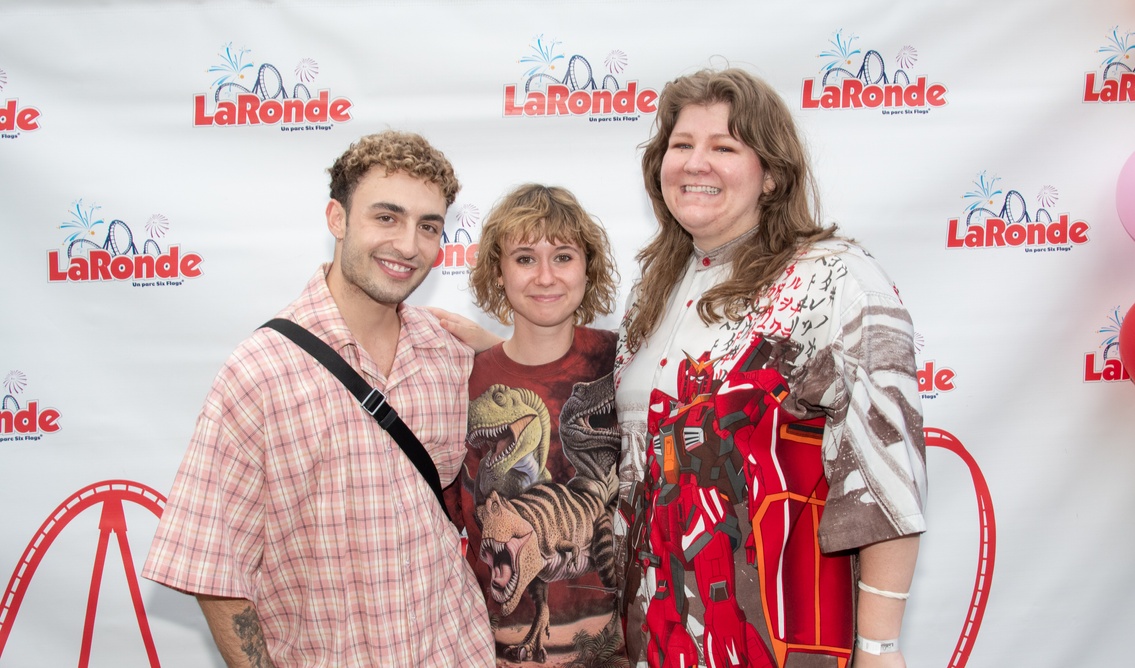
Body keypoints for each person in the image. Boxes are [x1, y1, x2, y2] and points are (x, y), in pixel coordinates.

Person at [612, 68, 928, 668]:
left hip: (773, 633)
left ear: (773, 175)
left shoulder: (833, 277)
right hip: (655, 634)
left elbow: (889, 473)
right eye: (682, 145)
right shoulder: (652, 287)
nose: (695, 163)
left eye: (724, 147)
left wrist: (879, 647)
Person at [143, 131, 494, 667]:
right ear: (337, 218)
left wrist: (500, 353)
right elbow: (214, 568)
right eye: (386, 217)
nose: (407, 245)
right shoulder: (261, 371)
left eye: (428, 226)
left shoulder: (450, 353)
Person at [442, 183, 630, 666]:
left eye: (563, 256)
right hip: (493, 651)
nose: (545, 277)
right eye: (525, 258)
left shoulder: (627, 361)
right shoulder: (461, 378)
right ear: (497, 273)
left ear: (588, 269)